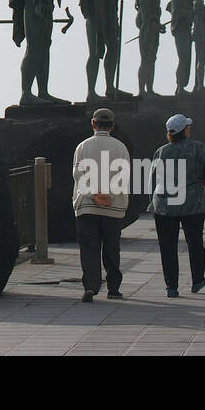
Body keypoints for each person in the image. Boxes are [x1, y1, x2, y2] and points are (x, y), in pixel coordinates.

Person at [151, 113, 205, 297]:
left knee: (168, 246)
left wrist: (153, 202)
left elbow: (153, 179)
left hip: (164, 205)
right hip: (192, 203)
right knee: (195, 242)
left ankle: (171, 286)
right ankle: (197, 280)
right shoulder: (197, 148)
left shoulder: (161, 151)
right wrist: (204, 180)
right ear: (185, 131)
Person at [72, 108, 130, 302]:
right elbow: (124, 176)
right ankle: (113, 288)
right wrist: (108, 196)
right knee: (112, 248)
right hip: (113, 208)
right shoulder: (120, 147)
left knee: (89, 247)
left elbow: (78, 175)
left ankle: (90, 286)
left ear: (93, 124)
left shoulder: (82, 147)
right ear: (112, 126)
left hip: (87, 206)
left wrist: (93, 195)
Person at [135, 0, 163, 95]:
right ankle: (142, 90)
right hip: (148, 23)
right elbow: (145, 4)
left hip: (153, 22)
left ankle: (149, 89)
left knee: (151, 58)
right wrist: (152, 22)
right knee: (146, 58)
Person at [167, 0, 194, 95]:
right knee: (183, 58)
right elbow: (176, 9)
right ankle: (180, 86)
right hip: (180, 28)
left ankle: (182, 85)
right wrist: (190, 14)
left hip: (187, 29)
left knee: (187, 59)